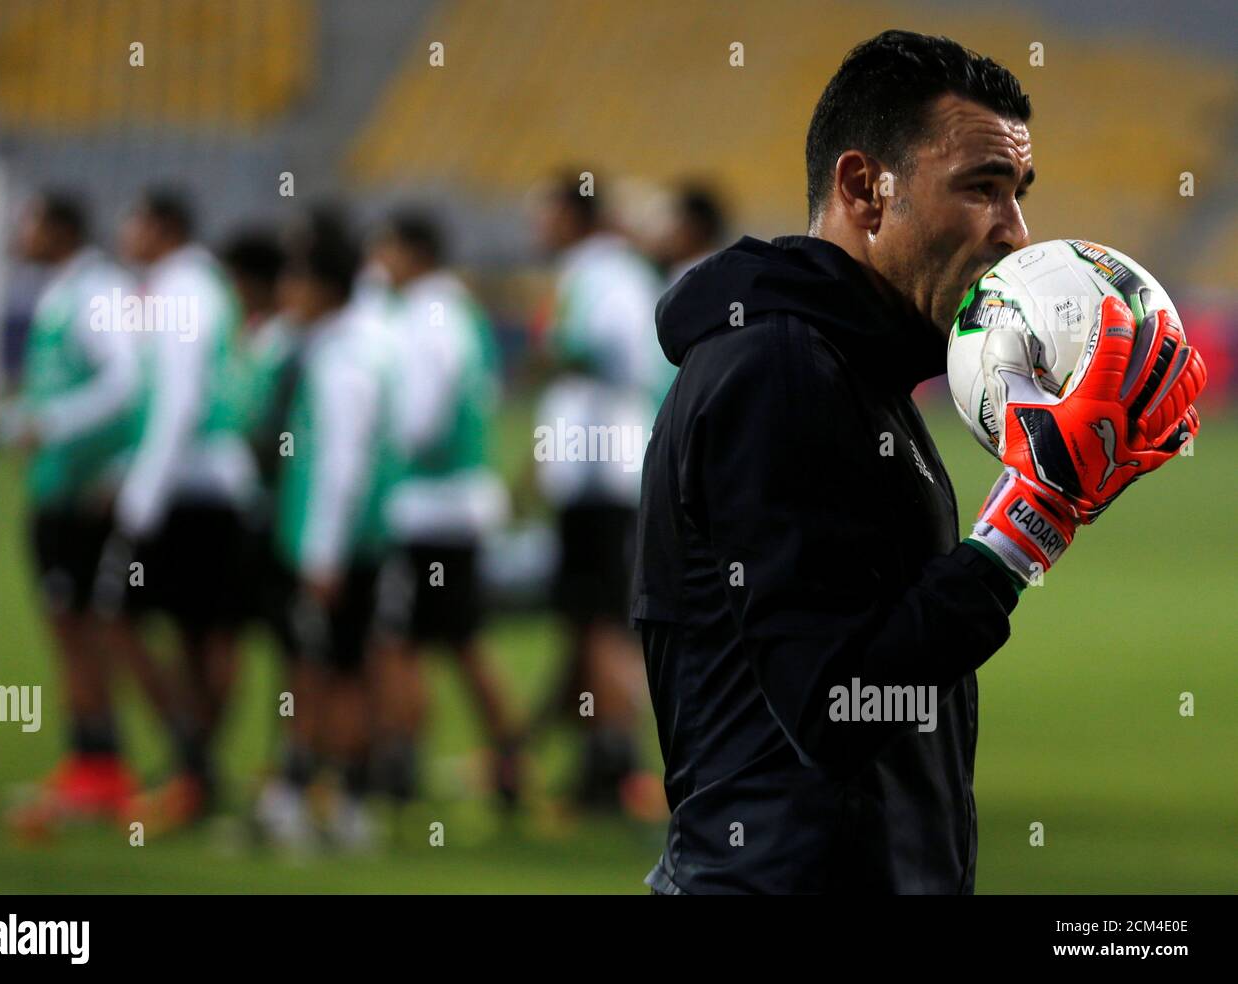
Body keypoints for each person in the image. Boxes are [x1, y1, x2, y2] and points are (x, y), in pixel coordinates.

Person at [633, 30, 1206, 894]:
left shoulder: (847, 366)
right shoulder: (779, 369)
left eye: (1018, 193)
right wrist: (1022, 534)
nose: (1015, 232)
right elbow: (832, 705)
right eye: (982, 188)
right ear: (867, 189)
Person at [95, 187, 253, 832]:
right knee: (195, 629)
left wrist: (139, 495)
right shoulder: (192, 287)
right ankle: (195, 763)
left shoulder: (185, 291)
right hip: (202, 484)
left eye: (132, 219)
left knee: (130, 616)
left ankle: (193, 757)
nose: (125, 232)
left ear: (162, 226)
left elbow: (179, 401)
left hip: (195, 487)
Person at [363, 209, 520, 807]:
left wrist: (377, 441)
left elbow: (420, 419)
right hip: (460, 502)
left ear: (410, 251)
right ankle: (508, 757)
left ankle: (399, 764)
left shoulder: (429, 316)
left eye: (385, 251)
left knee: (399, 639)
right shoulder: (457, 311)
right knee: (460, 638)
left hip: (427, 504)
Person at [0, 191, 142, 837]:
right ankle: (89, 759)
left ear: (57, 226)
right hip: (60, 487)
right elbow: (59, 387)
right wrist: (6, 428)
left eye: (29, 218)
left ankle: (102, 766)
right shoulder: (69, 291)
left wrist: (47, 425)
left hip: (85, 492)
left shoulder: (94, 292)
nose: (19, 231)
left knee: (80, 626)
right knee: (72, 626)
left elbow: (123, 381)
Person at [529, 172, 668, 814]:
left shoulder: (601, 270)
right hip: (598, 471)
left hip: (602, 472)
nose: (538, 223)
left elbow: (621, 356)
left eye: (547, 209)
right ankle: (591, 762)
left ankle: (620, 762)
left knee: (607, 619)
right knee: (588, 618)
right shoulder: (608, 269)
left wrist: (559, 354)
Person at [260, 222, 401, 850]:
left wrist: (320, 554)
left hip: (331, 546)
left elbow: (341, 465)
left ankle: (307, 798)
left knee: (319, 671)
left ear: (323, 285)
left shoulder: (344, 358)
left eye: (296, 276)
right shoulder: (352, 345)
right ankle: (339, 801)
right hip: (353, 542)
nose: (286, 289)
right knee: (338, 667)